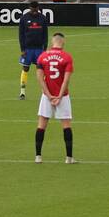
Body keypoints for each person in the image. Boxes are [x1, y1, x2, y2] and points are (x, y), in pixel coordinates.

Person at [35, 33, 76, 164]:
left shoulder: (43, 56)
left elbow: (40, 78)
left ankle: (38, 157)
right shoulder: (67, 57)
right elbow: (66, 80)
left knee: (41, 125)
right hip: (62, 96)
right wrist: (59, 96)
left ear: (52, 42)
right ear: (63, 42)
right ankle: (69, 158)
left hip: (47, 96)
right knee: (66, 125)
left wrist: (48, 94)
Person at [17, 0, 49, 101]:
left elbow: (45, 34)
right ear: (29, 8)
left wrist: (45, 48)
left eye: (36, 9)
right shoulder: (24, 18)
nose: (34, 11)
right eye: (32, 9)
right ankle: (22, 92)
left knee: (41, 70)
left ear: (38, 8)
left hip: (39, 49)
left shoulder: (43, 18)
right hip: (28, 49)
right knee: (25, 69)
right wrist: (22, 49)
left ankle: (44, 92)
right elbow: (21, 35)